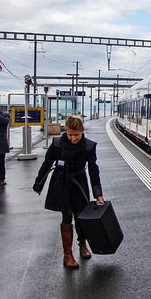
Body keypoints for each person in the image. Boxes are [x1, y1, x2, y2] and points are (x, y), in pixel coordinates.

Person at [33, 114, 102, 269]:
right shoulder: (57, 143)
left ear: (82, 131)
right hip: (61, 183)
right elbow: (47, 163)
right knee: (67, 215)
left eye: (76, 135)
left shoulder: (89, 146)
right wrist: (39, 184)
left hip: (79, 183)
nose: (73, 138)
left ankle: (82, 245)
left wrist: (98, 193)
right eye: (70, 134)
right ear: (66, 131)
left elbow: (93, 170)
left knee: (81, 215)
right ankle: (67, 255)